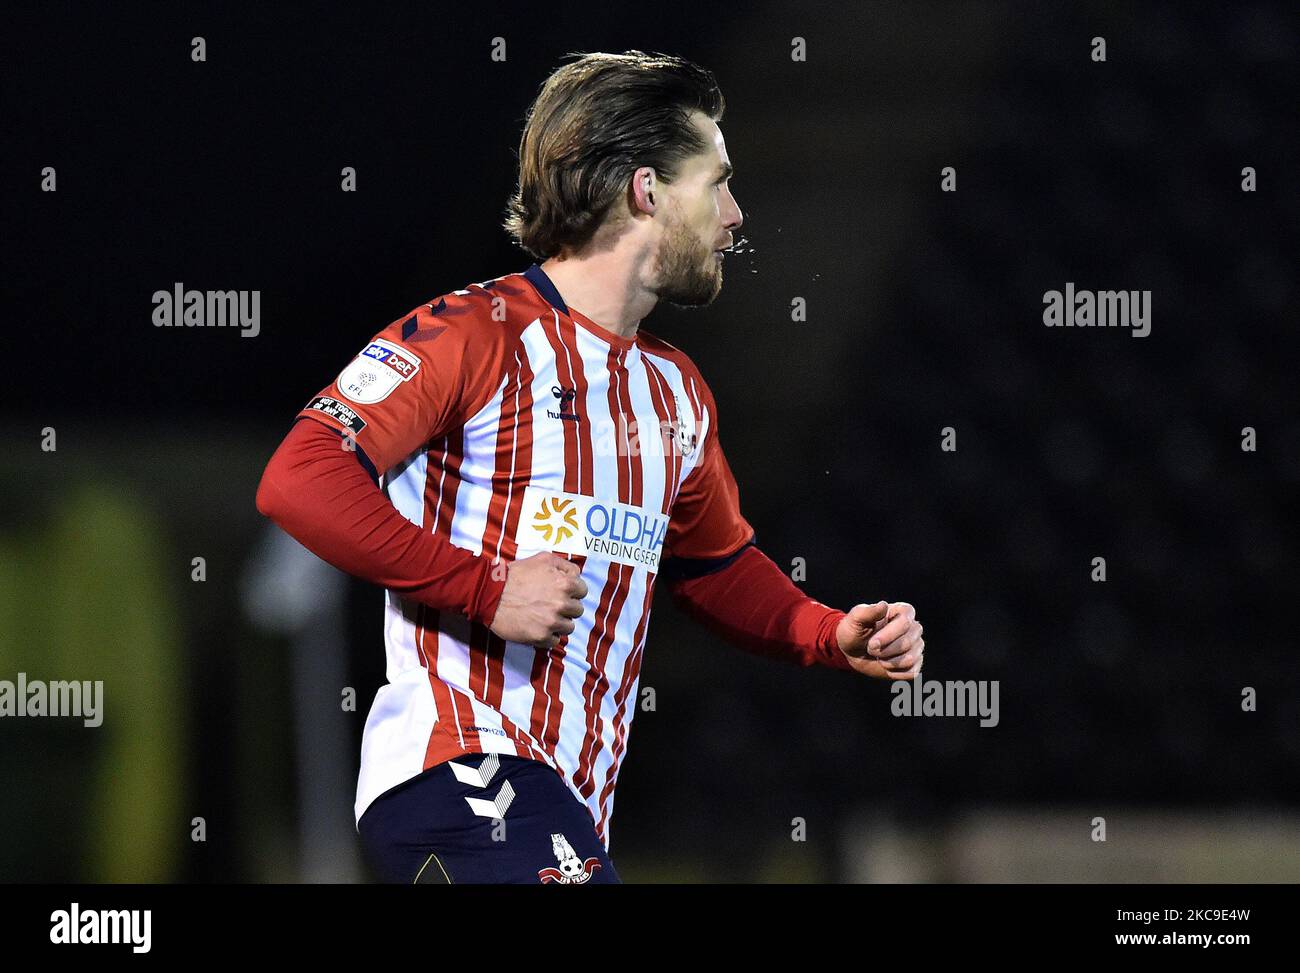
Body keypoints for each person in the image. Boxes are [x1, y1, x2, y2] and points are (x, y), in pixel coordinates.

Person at [256, 50, 924, 885]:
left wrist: (825, 631)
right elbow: (302, 474)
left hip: (567, 801)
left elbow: (713, 565)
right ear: (646, 190)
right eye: (715, 183)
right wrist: (487, 587)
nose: (736, 215)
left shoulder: (675, 391)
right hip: (456, 769)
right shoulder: (474, 333)